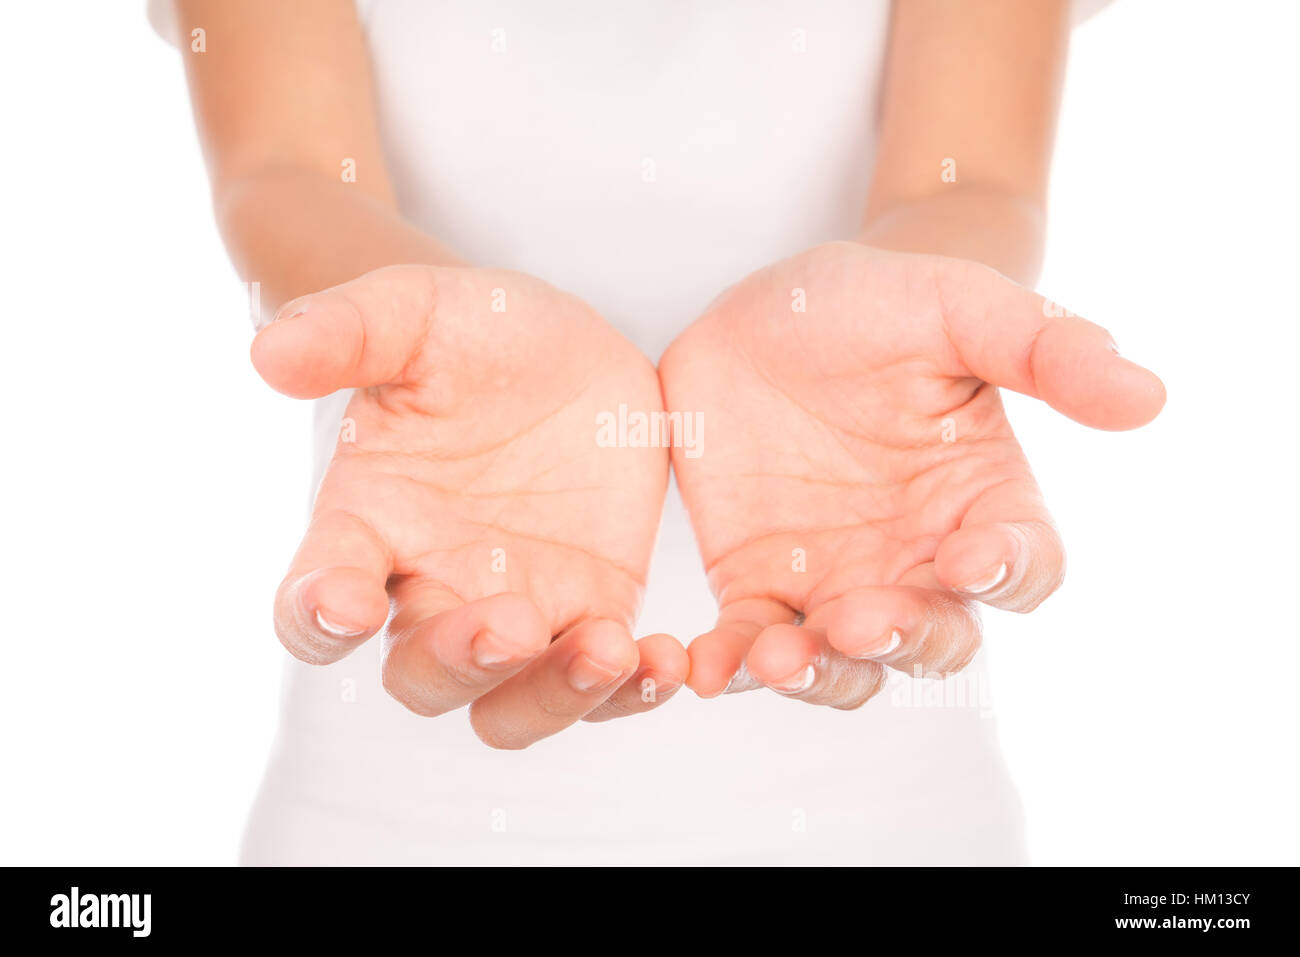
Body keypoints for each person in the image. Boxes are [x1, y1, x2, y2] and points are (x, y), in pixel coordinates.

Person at [153, 0, 1163, 864]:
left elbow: (967, 182)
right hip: (387, 811)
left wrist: (906, 307)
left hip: (891, 813)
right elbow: (286, 169)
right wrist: (427, 322)